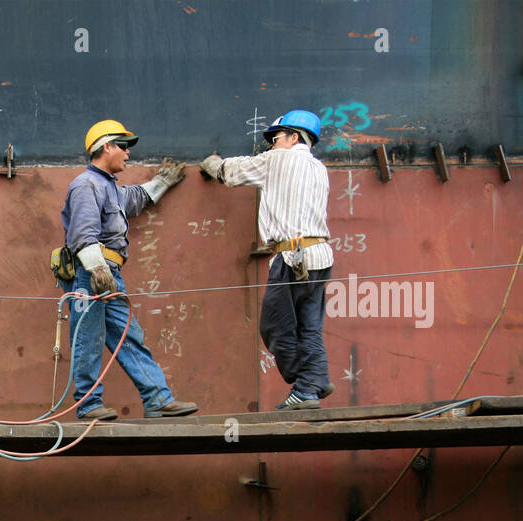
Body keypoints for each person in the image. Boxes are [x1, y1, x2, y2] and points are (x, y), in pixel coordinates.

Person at [61, 120, 196, 421]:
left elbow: (135, 199)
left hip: (109, 274)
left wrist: (163, 181)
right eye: (123, 146)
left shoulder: (108, 186)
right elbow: (83, 234)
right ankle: (88, 404)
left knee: (128, 336)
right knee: (88, 337)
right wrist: (96, 269)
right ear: (106, 146)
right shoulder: (86, 185)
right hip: (91, 274)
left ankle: (158, 399)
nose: (127, 153)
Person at [201, 110, 335, 410]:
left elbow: (233, 171)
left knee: (274, 325)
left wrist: (213, 165)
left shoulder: (277, 160)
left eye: (275, 139)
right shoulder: (319, 168)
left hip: (292, 256)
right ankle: (315, 379)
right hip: (321, 256)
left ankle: (306, 385)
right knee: (309, 327)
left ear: (294, 137)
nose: (271, 146)